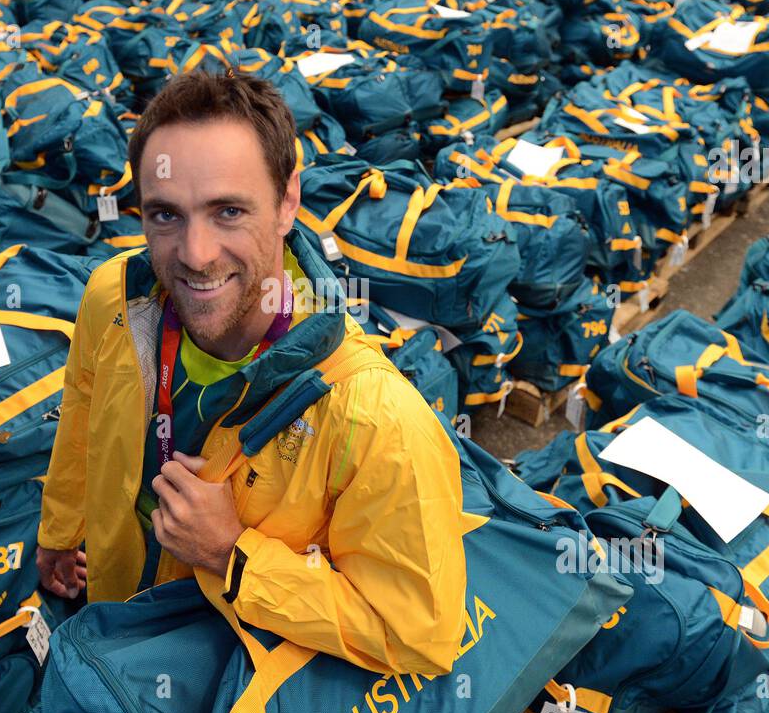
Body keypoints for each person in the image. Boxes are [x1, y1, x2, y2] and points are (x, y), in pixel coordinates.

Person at [36, 69, 466, 675]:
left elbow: (418, 637)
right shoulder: (116, 296)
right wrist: (60, 530)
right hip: (112, 631)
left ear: (288, 199)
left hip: (215, 687)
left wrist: (233, 555)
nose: (195, 253)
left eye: (229, 210)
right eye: (165, 216)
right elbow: (81, 414)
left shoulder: (376, 422)